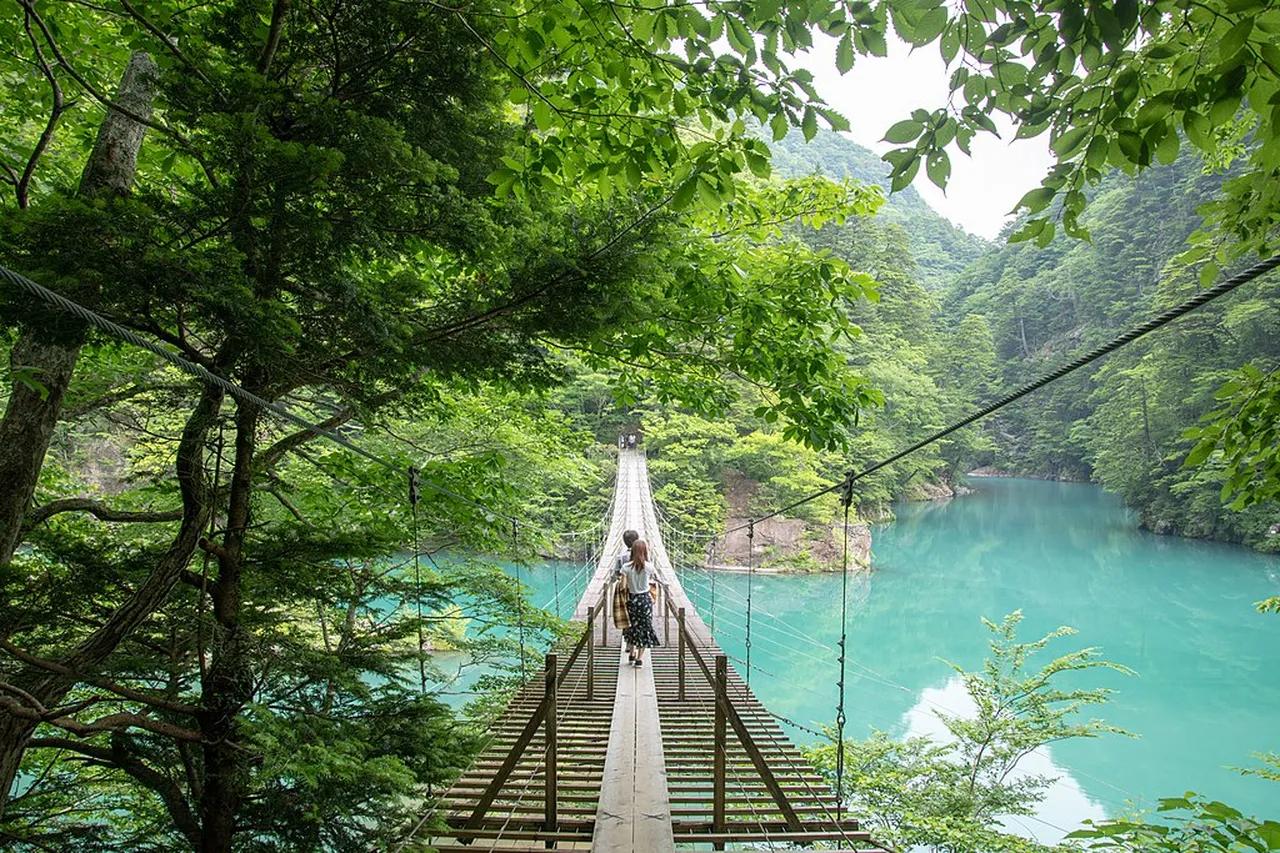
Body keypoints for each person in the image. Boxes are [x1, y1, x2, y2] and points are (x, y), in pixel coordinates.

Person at [615, 539, 660, 666]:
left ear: (632, 551)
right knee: (644, 627)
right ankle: (639, 659)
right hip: (645, 600)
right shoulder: (649, 567)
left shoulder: (626, 567)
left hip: (632, 600)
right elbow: (652, 579)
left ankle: (631, 653)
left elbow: (623, 586)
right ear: (645, 551)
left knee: (632, 626)